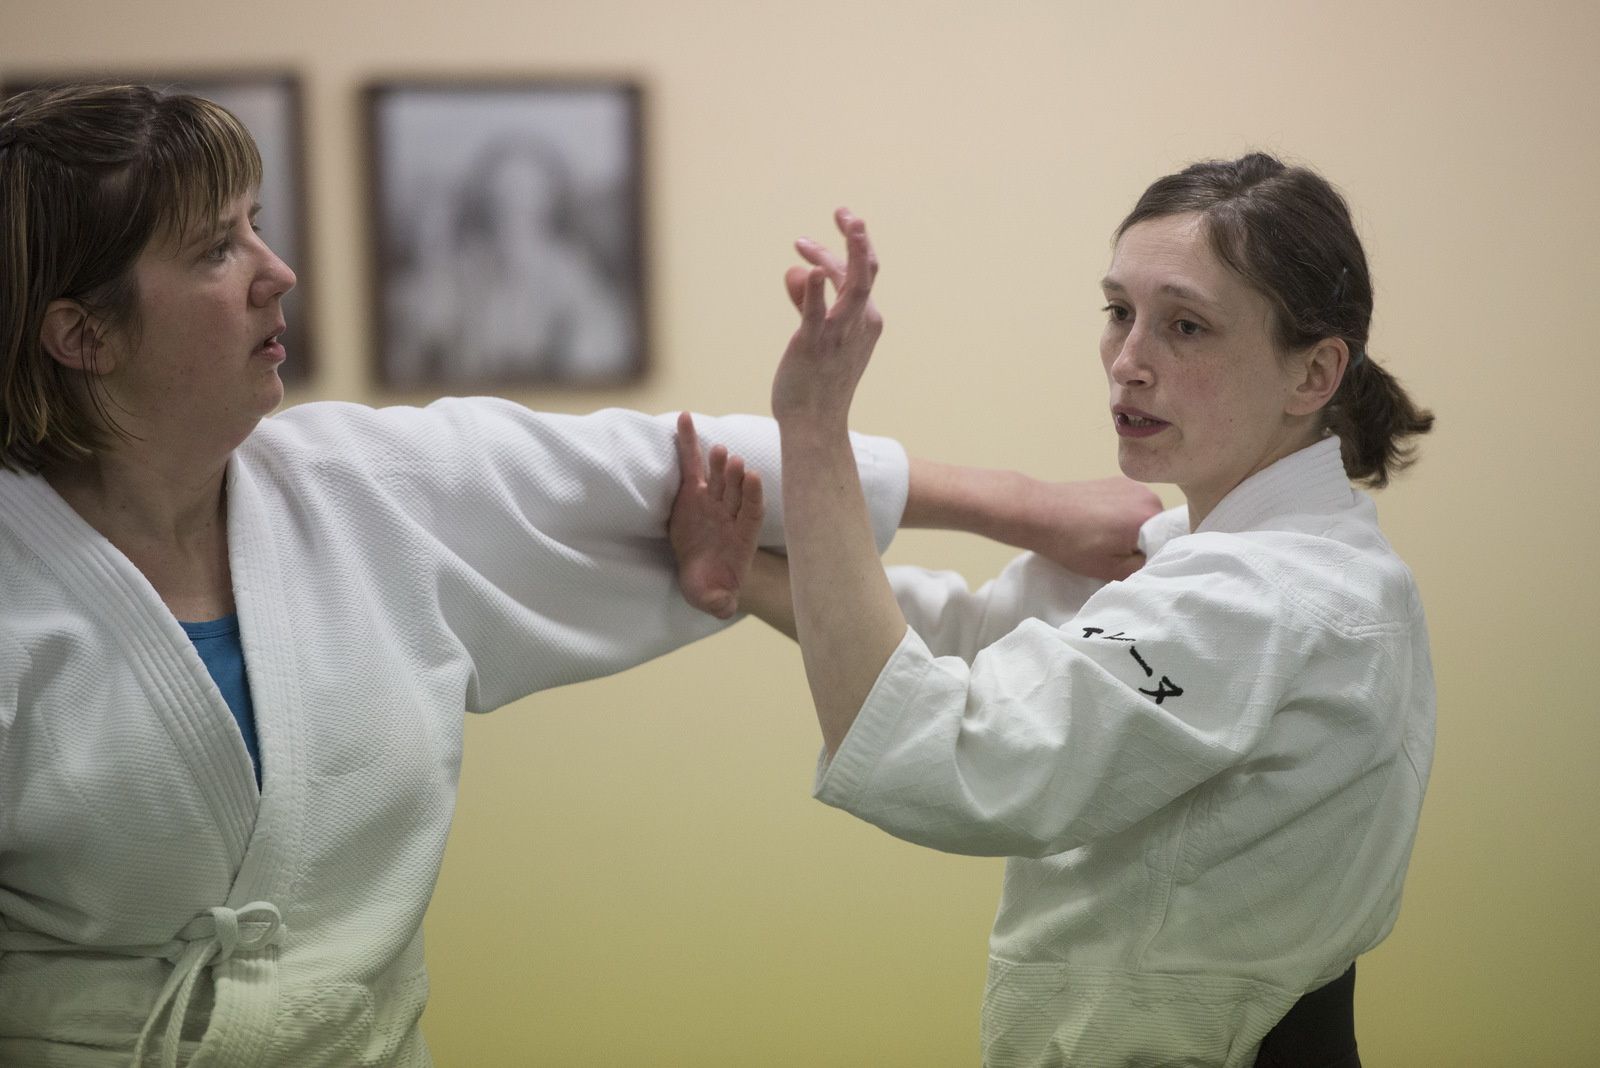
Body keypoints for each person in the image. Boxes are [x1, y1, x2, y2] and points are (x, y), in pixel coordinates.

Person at [0, 84, 1158, 1067]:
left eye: (258, 227)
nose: (279, 272)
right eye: (216, 250)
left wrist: (1028, 507)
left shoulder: (354, 484)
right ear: (79, 334)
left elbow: (652, 471)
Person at [670, 158, 1436, 1067]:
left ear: (1314, 373)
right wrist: (747, 578)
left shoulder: (1264, 598)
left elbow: (953, 744)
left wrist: (814, 425)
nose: (1129, 361)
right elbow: (973, 650)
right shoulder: (1242, 556)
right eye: (1119, 312)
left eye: (1184, 325)